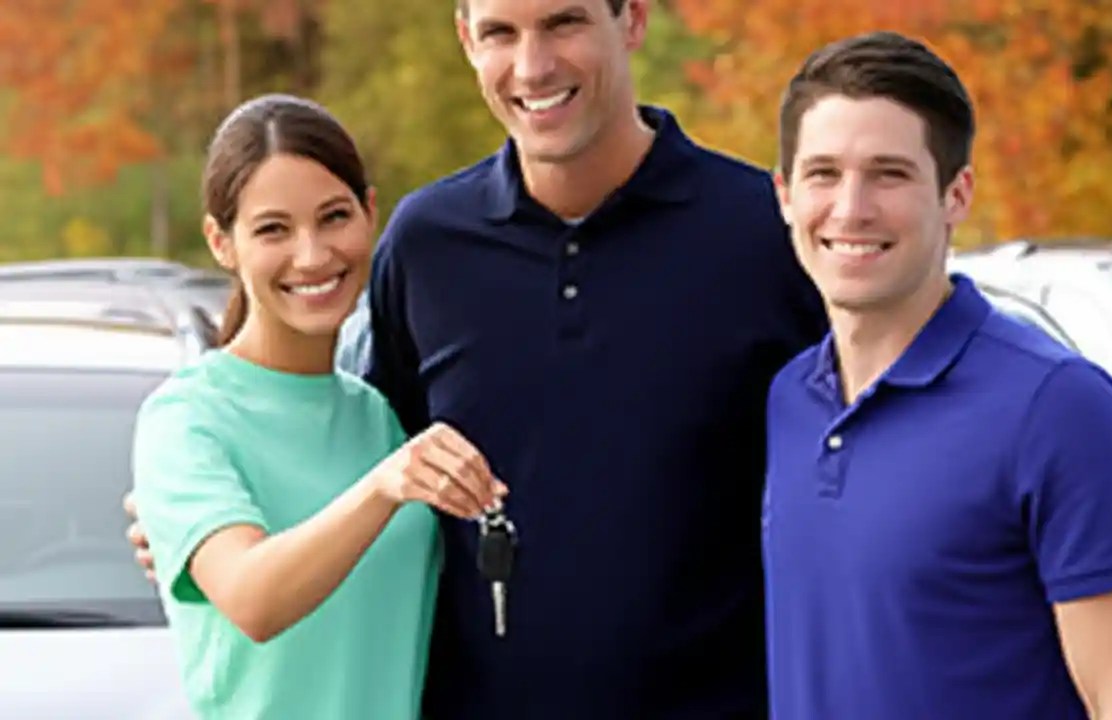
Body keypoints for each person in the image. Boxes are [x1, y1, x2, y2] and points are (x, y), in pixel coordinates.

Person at [127, 1, 825, 718]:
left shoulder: (764, 233)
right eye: (500, 32)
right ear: (466, 40)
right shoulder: (428, 246)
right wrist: (194, 528)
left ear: (634, 20)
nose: (532, 65)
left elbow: (851, 467)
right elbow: (381, 475)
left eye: (564, 23)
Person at [762, 31, 1112, 719]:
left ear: (956, 195)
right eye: (824, 174)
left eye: (890, 173)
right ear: (783, 195)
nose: (851, 208)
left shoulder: (1059, 409)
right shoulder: (789, 401)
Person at [128, 94, 507, 719]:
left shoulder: (377, 414)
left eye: (333, 217)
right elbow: (253, 599)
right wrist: (386, 485)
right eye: (273, 229)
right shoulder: (186, 419)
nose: (312, 255)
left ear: (370, 213)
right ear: (221, 243)